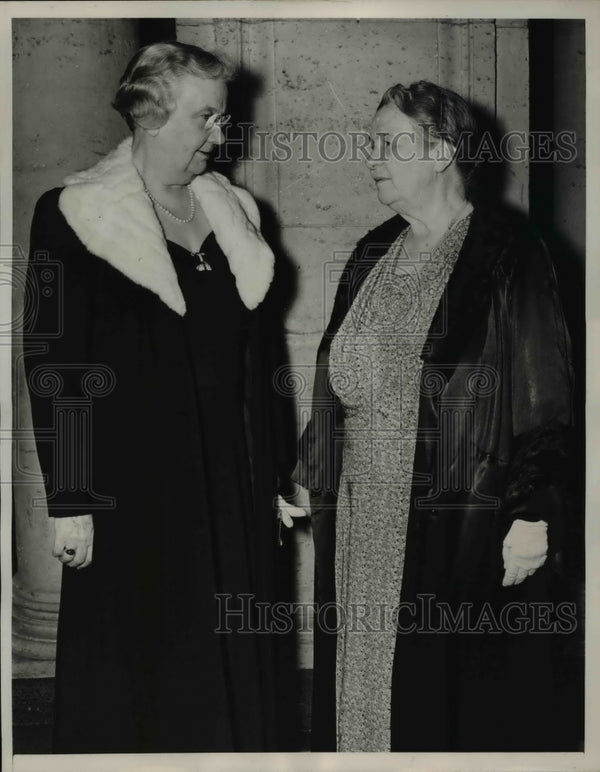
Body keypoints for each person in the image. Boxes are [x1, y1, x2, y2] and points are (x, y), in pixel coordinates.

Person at [294, 81, 582, 752]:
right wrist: (313, 470)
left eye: (389, 143)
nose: (371, 157)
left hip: (457, 522)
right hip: (362, 520)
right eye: (370, 143)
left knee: (446, 699)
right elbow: (335, 377)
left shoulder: (508, 252)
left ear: (443, 151)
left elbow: (547, 391)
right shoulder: (372, 252)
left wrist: (533, 512)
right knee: (359, 683)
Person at [24, 41, 289, 753]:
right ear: (150, 115)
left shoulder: (235, 210)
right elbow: (54, 362)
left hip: (231, 480)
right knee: (142, 672)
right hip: (131, 490)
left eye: (224, 119)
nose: (220, 134)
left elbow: (261, 358)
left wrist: (277, 470)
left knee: (232, 664)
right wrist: (72, 498)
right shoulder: (72, 213)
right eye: (206, 118)